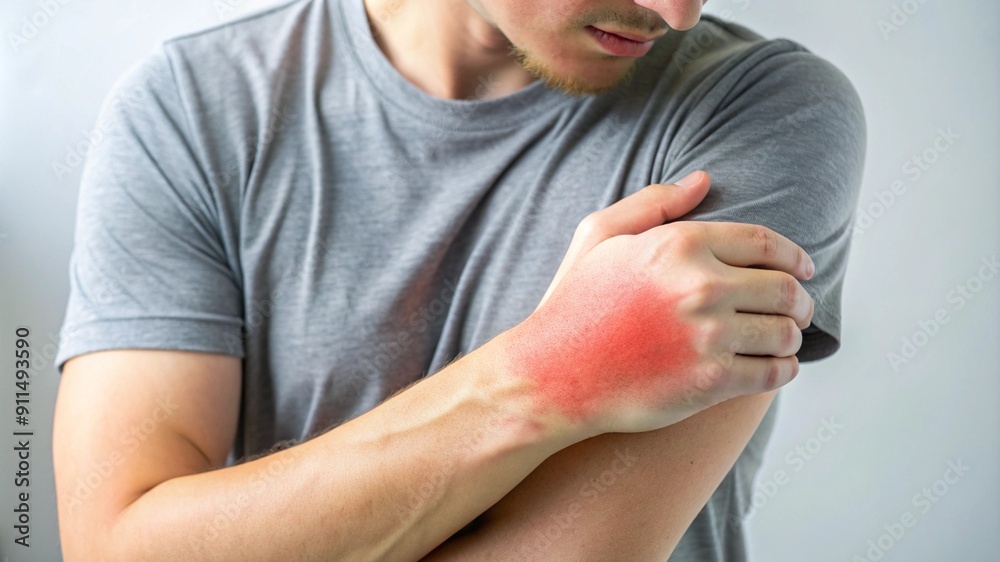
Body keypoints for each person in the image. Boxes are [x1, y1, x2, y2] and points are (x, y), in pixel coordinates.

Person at [52, 0, 865, 559]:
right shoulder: (191, 110)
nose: (676, 9)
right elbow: (118, 543)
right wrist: (548, 372)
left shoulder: (766, 112)